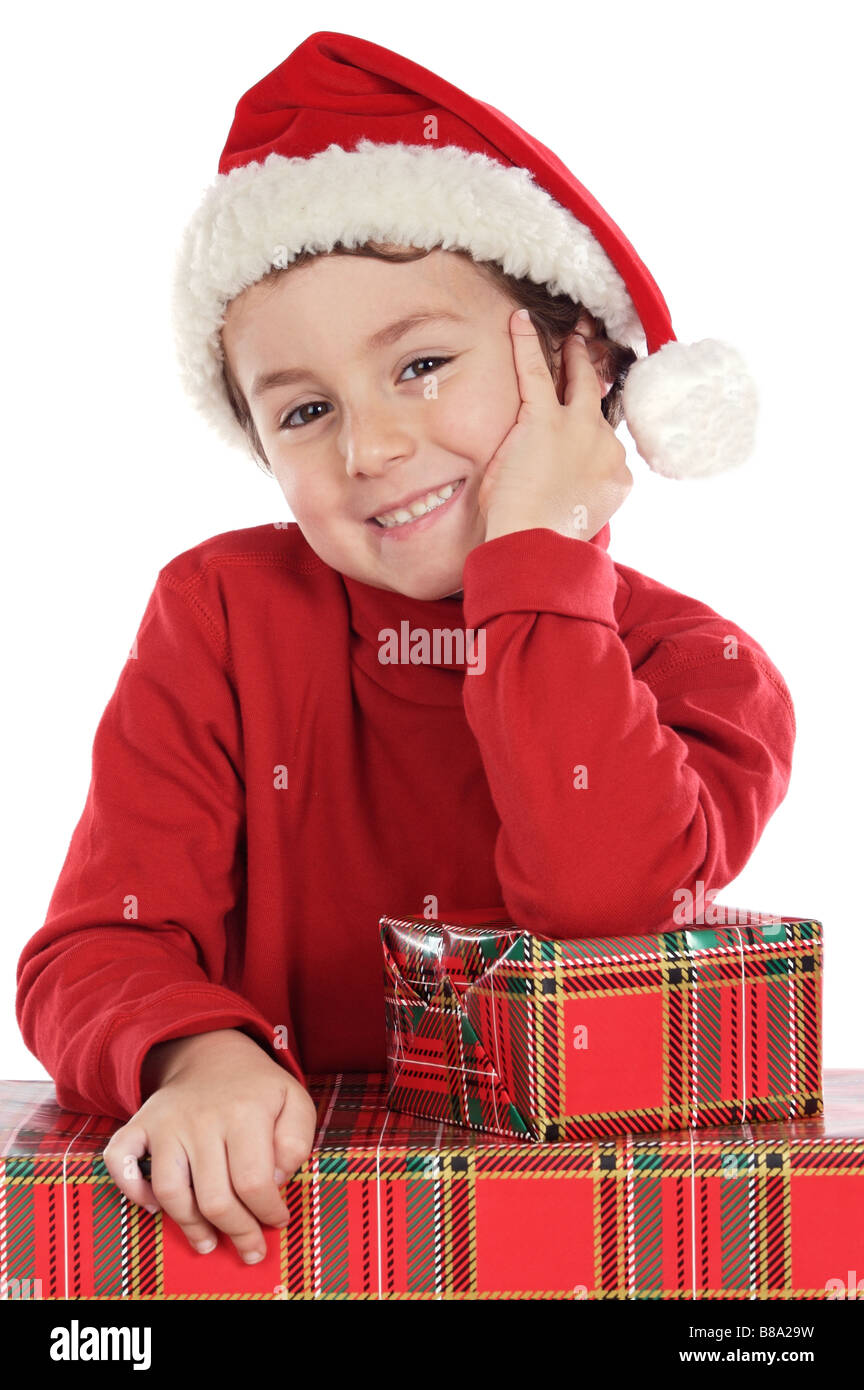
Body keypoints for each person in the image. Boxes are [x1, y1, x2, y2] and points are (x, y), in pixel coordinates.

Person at [15, 31, 795, 1269]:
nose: (369, 447)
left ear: (581, 369)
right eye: (305, 410)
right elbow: (94, 945)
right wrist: (192, 1051)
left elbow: (603, 911)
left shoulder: (704, 670)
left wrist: (538, 557)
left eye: (422, 366)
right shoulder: (217, 613)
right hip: (285, 1250)